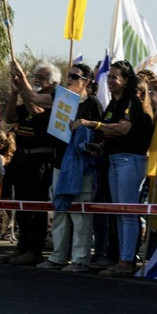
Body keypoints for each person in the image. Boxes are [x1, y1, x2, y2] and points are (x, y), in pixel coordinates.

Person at [76, 60, 153, 277]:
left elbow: (123, 128)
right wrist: (98, 145)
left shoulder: (131, 102)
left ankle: (127, 261)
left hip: (131, 161)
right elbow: (110, 133)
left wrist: (93, 124)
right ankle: (121, 258)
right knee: (119, 213)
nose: (110, 81)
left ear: (126, 80)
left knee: (128, 213)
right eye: (109, 76)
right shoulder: (113, 104)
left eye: (115, 77)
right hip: (114, 159)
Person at [38, 63, 103, 272]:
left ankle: (80, 259)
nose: (70, 79)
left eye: (75, 76)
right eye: (69, 75)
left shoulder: (93, 104)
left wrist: (83, 126)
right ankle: (58, 256)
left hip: (81, 165)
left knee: (79, 212)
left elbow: (101, 134)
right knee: (60, 210)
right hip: (60, 162)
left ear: (87, 81)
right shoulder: (62, 99)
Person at [2, 61, 60, 266]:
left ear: (52, 83)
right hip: (22, 157)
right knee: (22, 204)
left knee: (36, 205)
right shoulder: (26, 98)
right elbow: (9, 116)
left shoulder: (53, 100)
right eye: (34, 76)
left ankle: (35, 249)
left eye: (41, 77)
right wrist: (14, 93)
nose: (37, 80)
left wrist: (23, 84)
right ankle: (22, 246)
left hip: (40, 159)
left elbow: (36, 109)